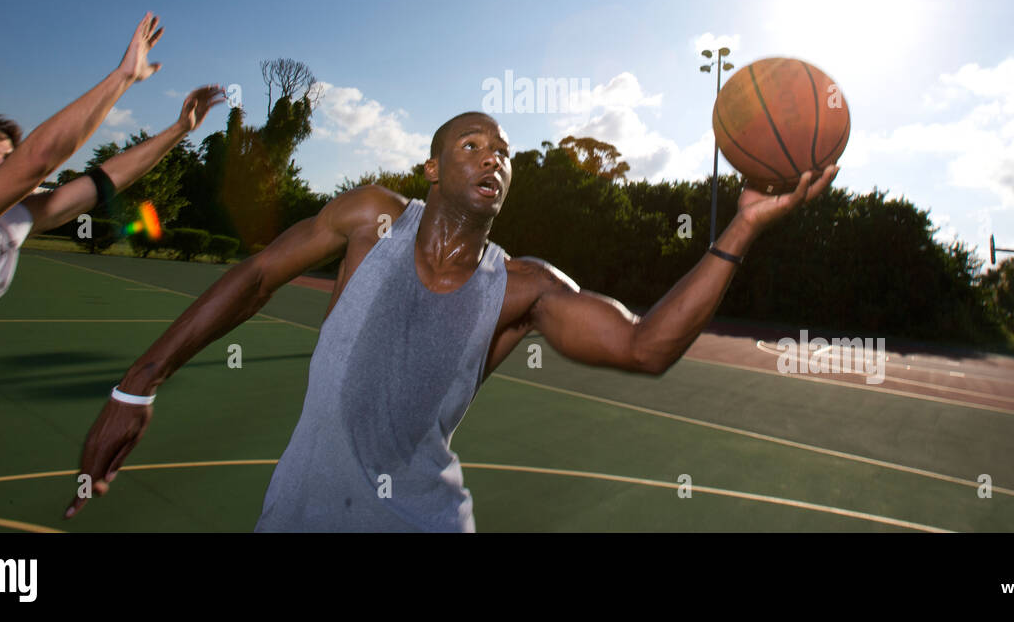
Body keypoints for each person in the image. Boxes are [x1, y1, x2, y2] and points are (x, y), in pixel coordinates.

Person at [67, 110, 837, 530]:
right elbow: (258, 275)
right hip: (299, 515)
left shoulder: (523, 288)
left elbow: (645, 348)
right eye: (472, 144)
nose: (494, 156)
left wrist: (742, 229)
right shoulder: (372, 220)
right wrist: (138, 385)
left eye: (504, 151)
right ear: (432, 169)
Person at [0, 13, 224, 437]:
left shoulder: (3, 224)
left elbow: (102, 182)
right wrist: (123, 77)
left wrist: (178, 131)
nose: (0, 167)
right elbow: (37, 161)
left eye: (5, 158)